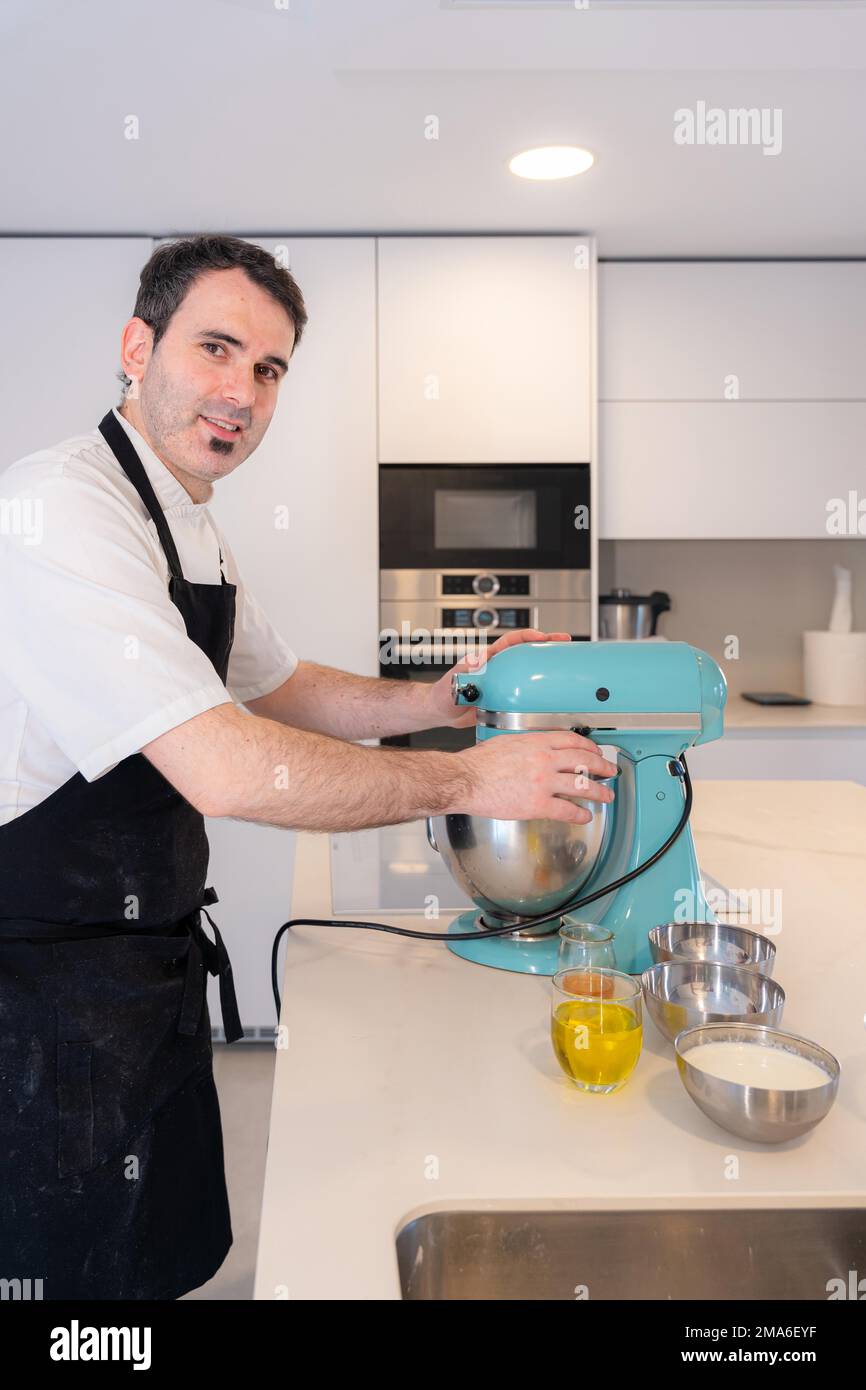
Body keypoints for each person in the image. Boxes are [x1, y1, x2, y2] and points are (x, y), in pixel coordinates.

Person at [0, 234, 616, 1299]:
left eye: (270, 368)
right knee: (68, 1286)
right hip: (41, 994)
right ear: (136, 346)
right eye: (217, 348)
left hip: (140, 967)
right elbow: (229, 769)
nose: (242, 391)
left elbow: (281, 686)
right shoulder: (61, 513)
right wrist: (468, 780)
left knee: (150, 1268)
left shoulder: (190, 523)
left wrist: (446, 695)